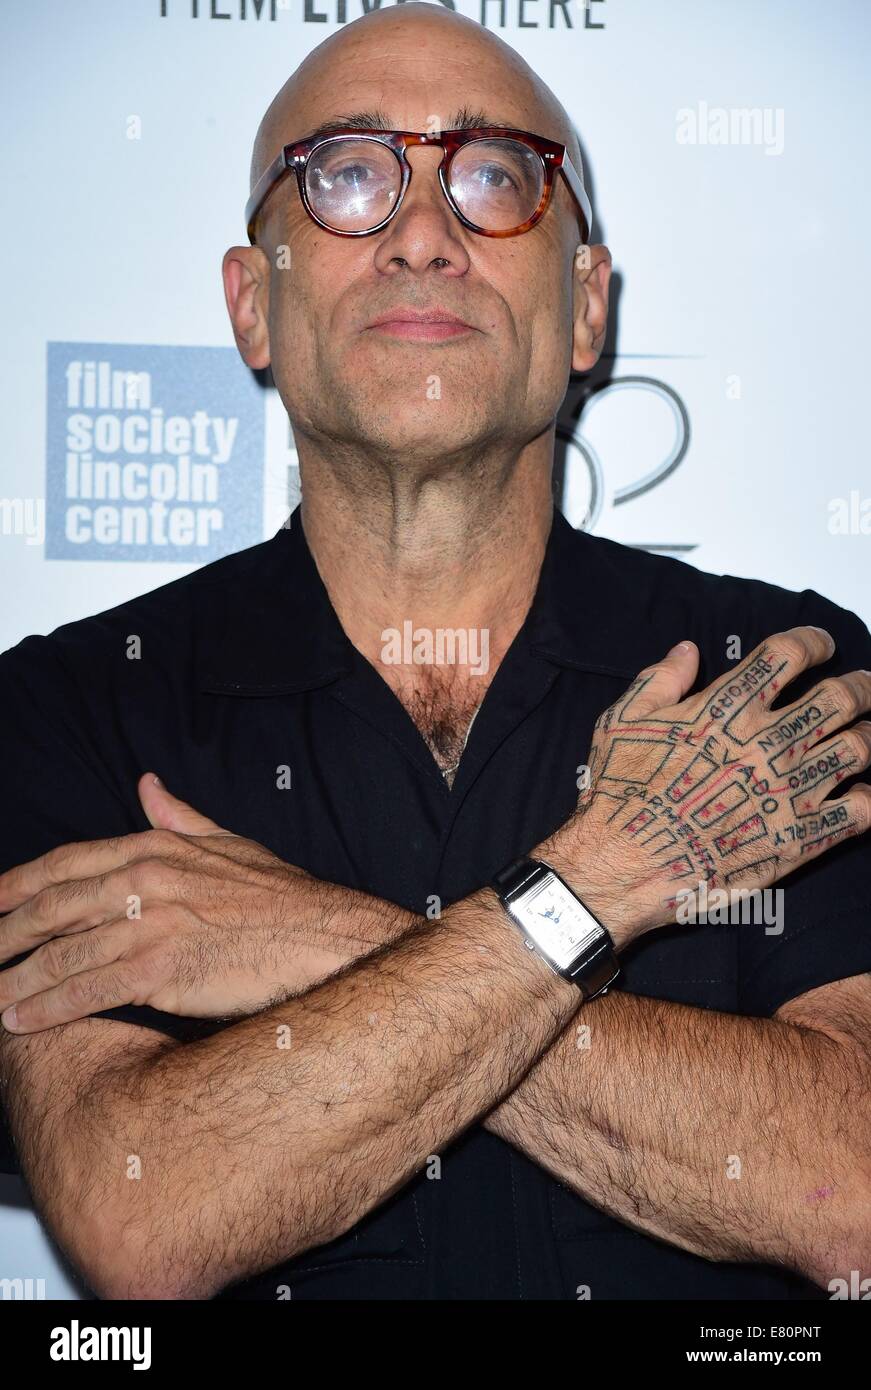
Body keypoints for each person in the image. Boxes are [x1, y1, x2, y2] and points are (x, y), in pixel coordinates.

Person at [1, 4, 869, 1301]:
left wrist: (309, 940)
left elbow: (851, 1186)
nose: (422, 235)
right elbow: (143, 1217)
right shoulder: (69, 708)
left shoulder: (778, 678)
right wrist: (607, 878)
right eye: (347, 176)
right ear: (252, 305)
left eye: (496, 178)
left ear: (585, 307)